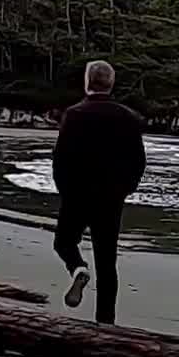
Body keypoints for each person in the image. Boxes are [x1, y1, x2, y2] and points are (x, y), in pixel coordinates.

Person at [51, 59, 146, 323]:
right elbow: (138, 161)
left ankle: (78, 267)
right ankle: (105, 324)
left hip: (77, 194)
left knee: (64, 242)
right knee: (107, 264)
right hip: (111, 197)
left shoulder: (75, 114)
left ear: (87, 82)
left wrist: (65, 190)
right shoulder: (127, 117)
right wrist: (126, 189)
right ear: (111, 83)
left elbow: (61, 158)